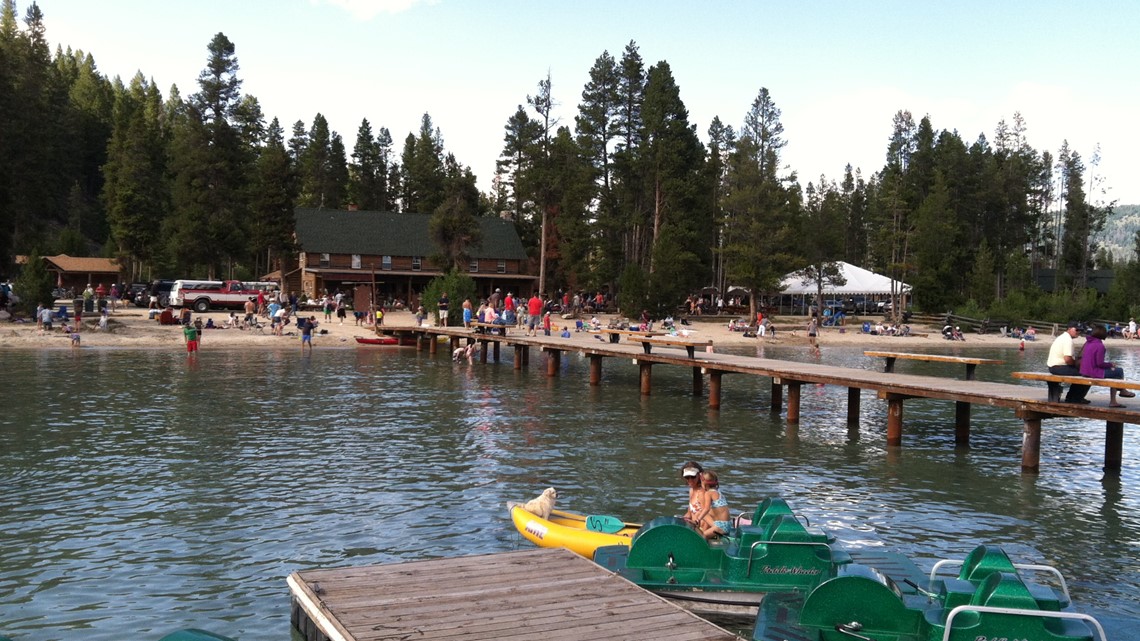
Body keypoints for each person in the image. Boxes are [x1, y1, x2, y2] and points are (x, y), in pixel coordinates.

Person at [1080, 324, 1135, 407]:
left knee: (1116, 374)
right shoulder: (1099, 345)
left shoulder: (1088, 343)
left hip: (1084, 370)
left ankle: (1116, 398)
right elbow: (1099, 363)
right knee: (1119, 371)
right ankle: (1121, 392)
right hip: (1093, 372)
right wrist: (1110, 364)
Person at [1047, 321, 1089, 404]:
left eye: (1080, 330)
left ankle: (1073, 397)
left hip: (1053, 367)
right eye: (1076, 330)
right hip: (1059, 367)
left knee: (1081, 371)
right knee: (1087, 372)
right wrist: (1077, 364)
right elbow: (1068, 360)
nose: (1078, 332)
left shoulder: (1062, 337)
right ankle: (1075, 398)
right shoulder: (1068, 340)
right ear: (1069, 329)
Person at [695, 470, 730, 540]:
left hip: (721, 527)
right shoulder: (717, 491)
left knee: (704, 535)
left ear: (704, 483)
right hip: (725, 524)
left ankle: (703, 548)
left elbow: (706, 509)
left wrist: (698, 519)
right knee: (699, 513)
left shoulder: (708, 493)